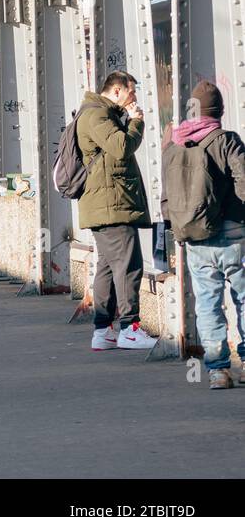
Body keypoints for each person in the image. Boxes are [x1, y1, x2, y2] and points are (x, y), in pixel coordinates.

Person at [161, 81, 245, 388]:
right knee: (244, 298)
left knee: (208, 302)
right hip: (234, 234)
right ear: (220, 111)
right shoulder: (226, 141)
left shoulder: (173, 144)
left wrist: (175, 229)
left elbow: (167, 195)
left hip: (195, 237)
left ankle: (217, 370)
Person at [76, 70, 156, 351]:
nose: (134, 97)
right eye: (131, 92)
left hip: (107, 204)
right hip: (110, 205)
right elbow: (122, 148)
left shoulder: (102, 114)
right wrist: (136, 122)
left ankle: (103, 330)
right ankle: (130, 328)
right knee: (129, 265)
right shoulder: (96, 115)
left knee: (109, 267)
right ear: (118, 90)